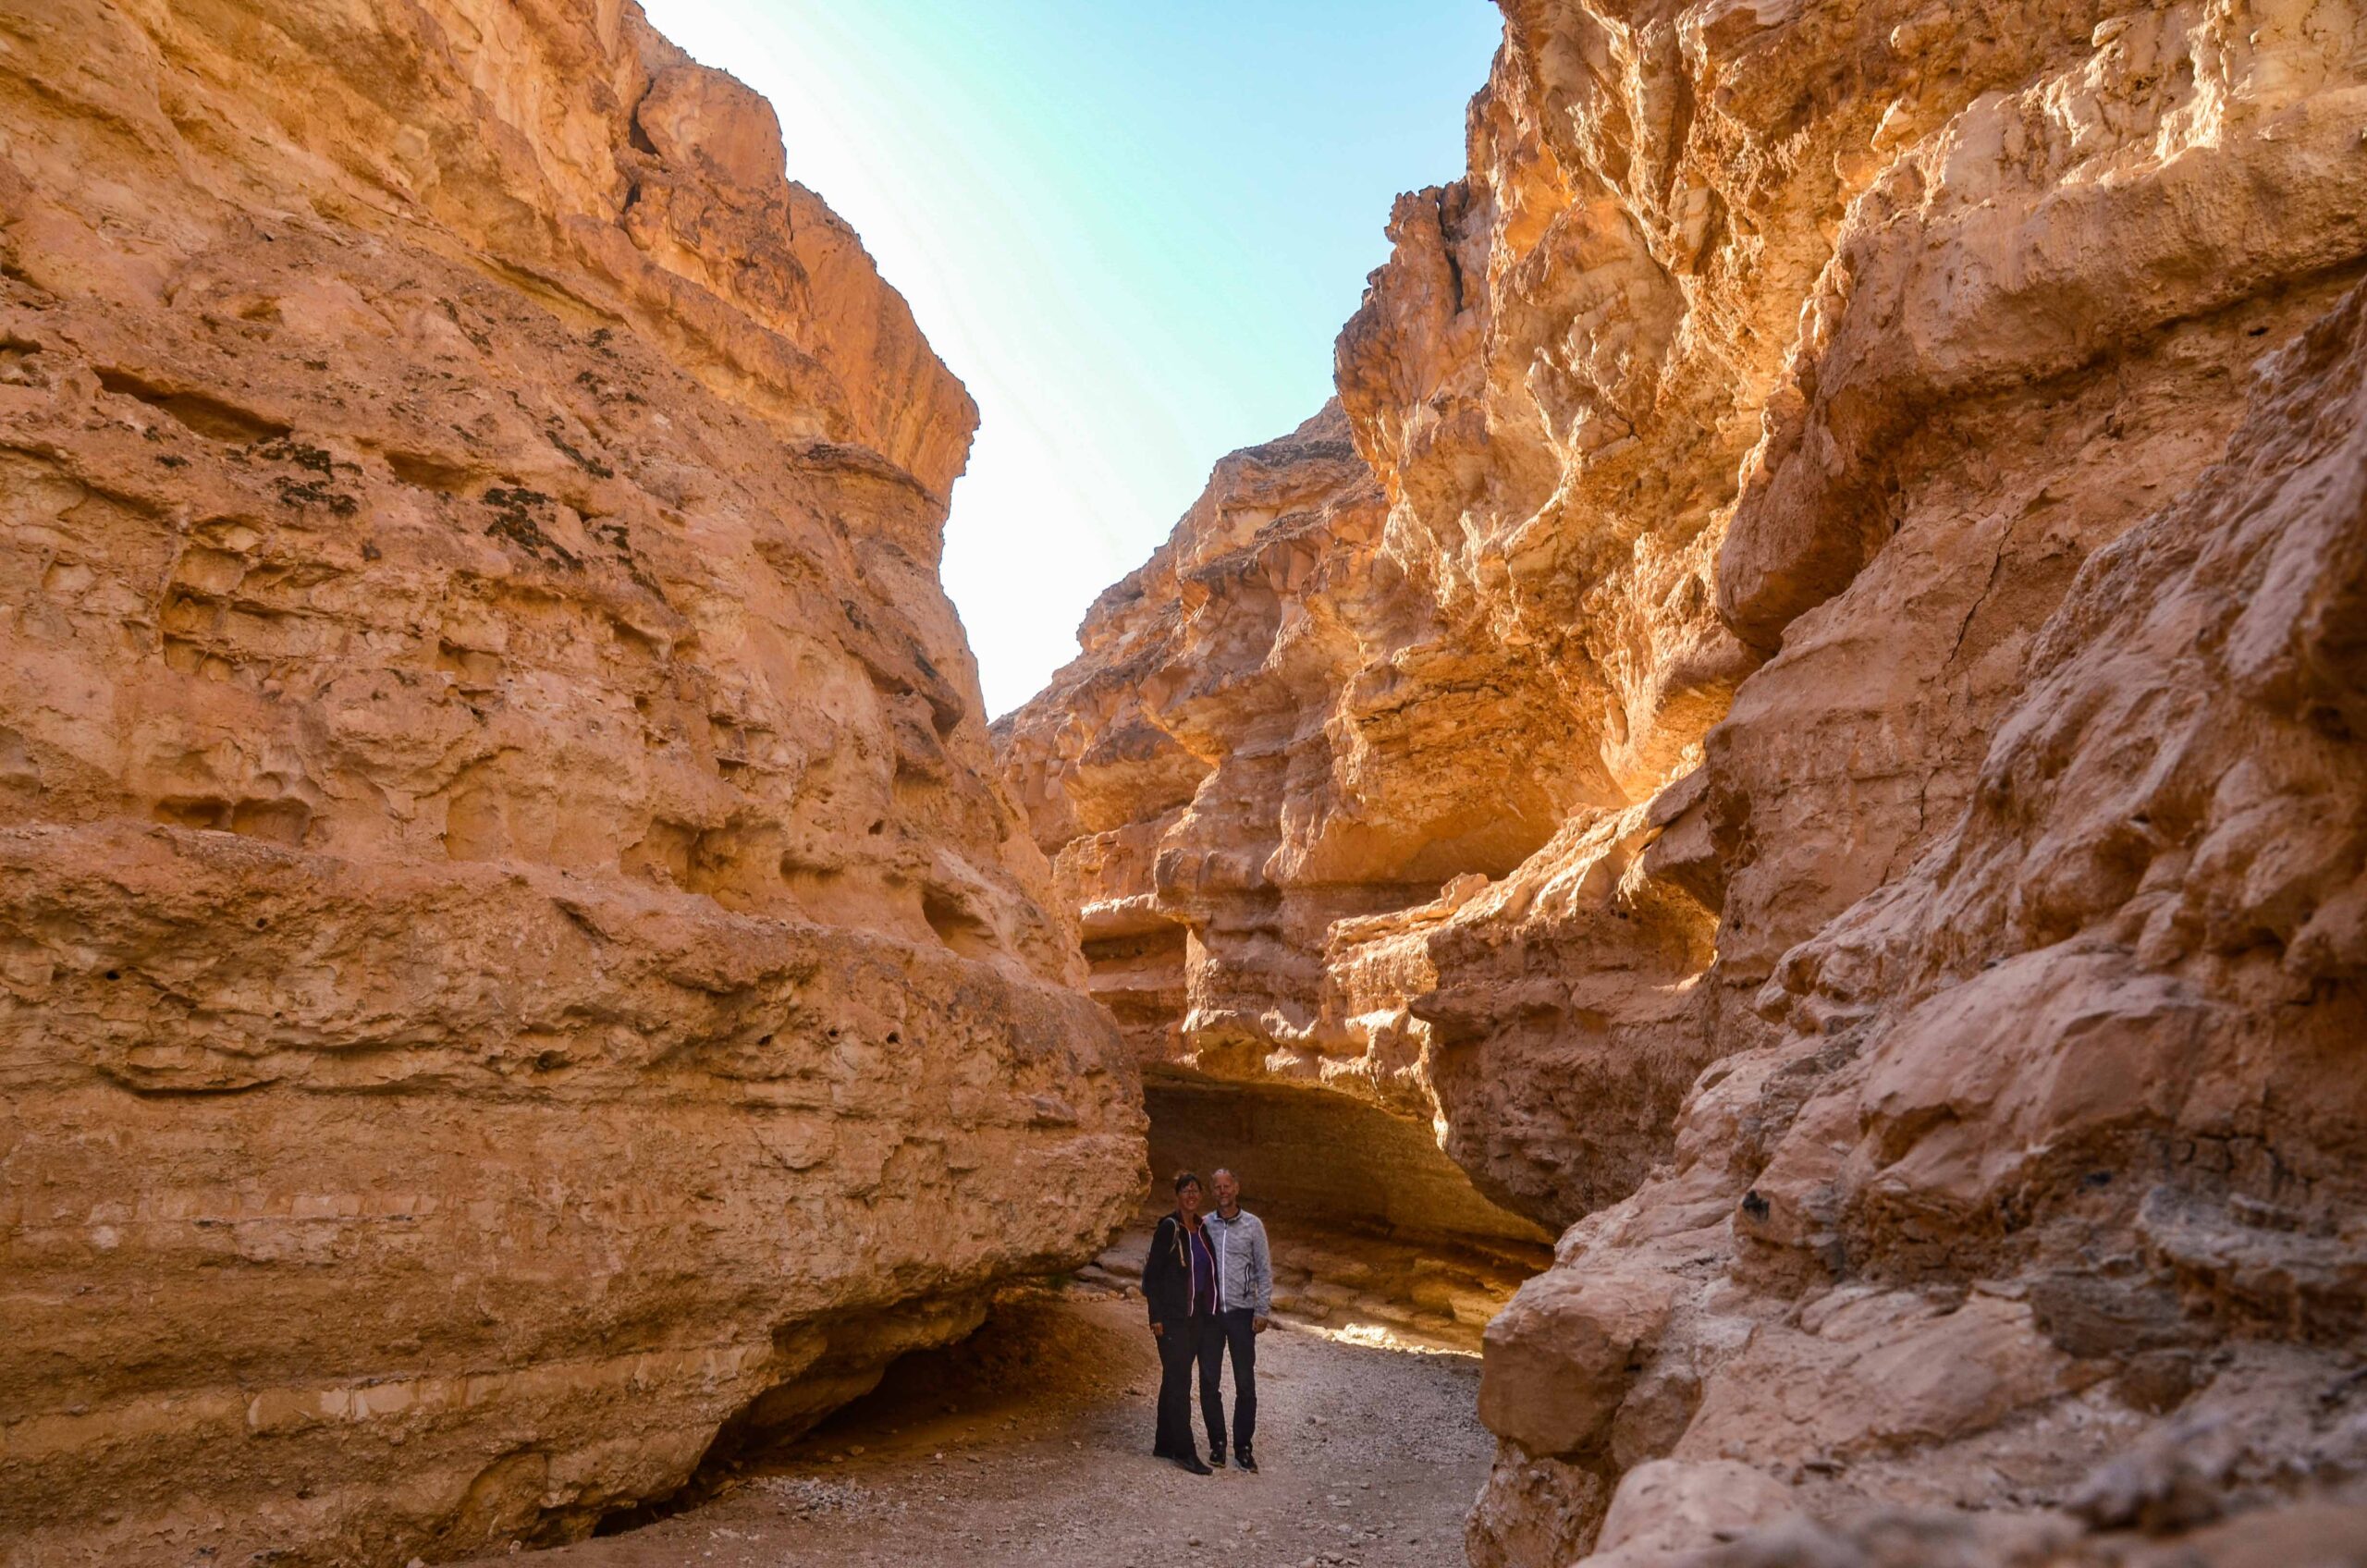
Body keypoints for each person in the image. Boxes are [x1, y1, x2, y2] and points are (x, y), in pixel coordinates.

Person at [1139, 1170, 1221, 1474]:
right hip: (1172, 1318)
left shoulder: (1201, 1229)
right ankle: (1184, 1451)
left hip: (1195, 1317)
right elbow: (1152, 1277)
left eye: (1195, 1190)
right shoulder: (1169, 1228)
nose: (1191, 1195)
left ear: (1201, 1195)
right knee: (1180, 1381)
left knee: (1174, 1378)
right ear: (1177, 1195)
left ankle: (1164, 1443)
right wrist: (1155, 1316)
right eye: (1185, 1190)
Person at [1197, 1167, 1271, 1471]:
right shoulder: (1204, 1225)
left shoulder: (1253, 1225)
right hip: (1212, 1314)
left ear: (1237, 1188)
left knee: (1245, 1383)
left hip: (1242, 1314)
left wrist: (1262, 1310)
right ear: (1212, 1191)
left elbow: (1263, 1270)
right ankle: (1217, 1444)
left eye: (1227, 1186)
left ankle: (1243, 1447)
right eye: (1217, 1187)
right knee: (1208, 1381)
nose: (1223, 1191)